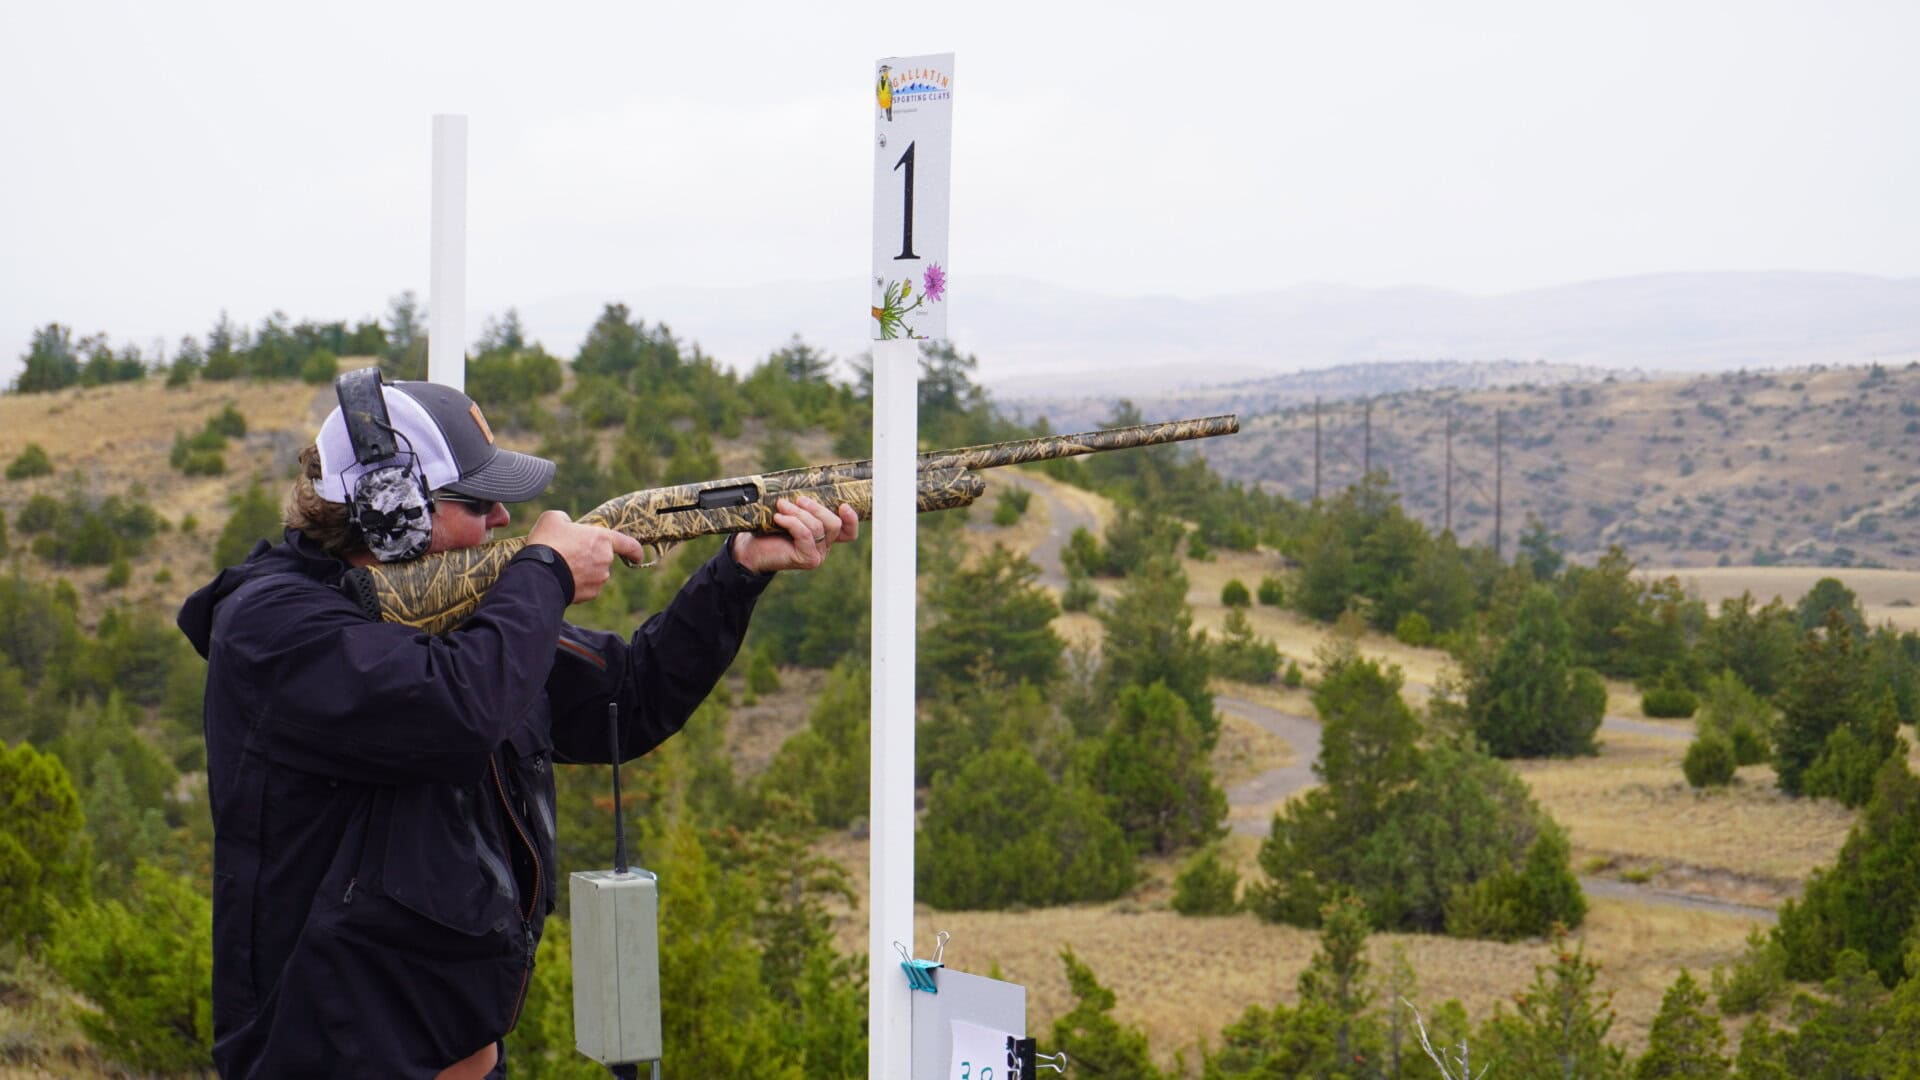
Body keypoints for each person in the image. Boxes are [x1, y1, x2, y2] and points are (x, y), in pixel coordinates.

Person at [177, 373, 856, 1079]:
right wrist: (546, 573)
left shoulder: (471, 624)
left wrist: (739, 571)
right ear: (393, 511)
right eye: (476, 500)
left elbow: (630, 697)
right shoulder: (275, 627)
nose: (503, 517)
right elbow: (456, 714)